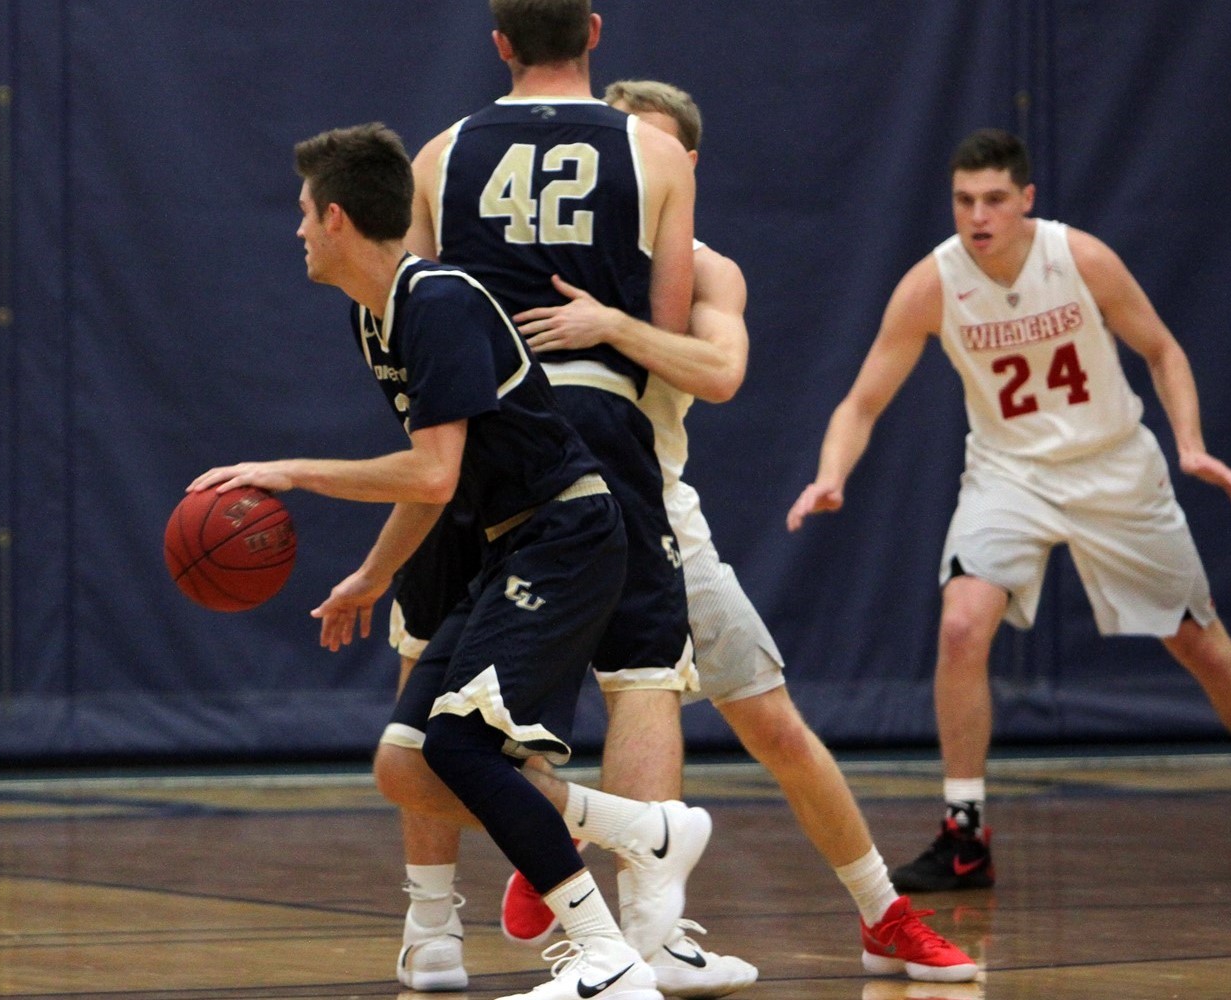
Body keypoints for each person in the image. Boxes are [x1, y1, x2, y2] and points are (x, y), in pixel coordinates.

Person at [483, 79, 979, 988]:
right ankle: (582, 887)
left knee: (775, 725)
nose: (626, 167)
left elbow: (721, 371)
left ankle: (883, 916)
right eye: (618, 146)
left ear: (686, 166)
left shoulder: (704, 266)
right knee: (486, 731)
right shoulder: (535, 247)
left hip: (660, 519)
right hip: (546, 516)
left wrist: (610, 327)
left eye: (648, 149)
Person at [786, 128, 1231, 891]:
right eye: (964, 201)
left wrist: (1187, 443)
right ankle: (965, 831)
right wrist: (831, 475)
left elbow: (1162, 350)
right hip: (1008, 474)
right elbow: (860, 402)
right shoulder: (933, 283)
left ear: (1026, 199)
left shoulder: (1079, 258)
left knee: (1198, 641)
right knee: (961, 625)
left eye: (994, 199)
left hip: (1113, 466)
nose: (978, 216)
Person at [194, 121, 674, 1000]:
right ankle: (641, 829)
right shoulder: (372, 320)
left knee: (461, 747)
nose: (296, 231)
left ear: (337, 218)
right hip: (505, 542)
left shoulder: (441, 299)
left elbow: (432, 468)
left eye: (303, 214)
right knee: (404, 762)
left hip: (566, 534)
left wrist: (293, 470)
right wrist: (371, 579)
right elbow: (435, 484)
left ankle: (607, 957)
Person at [388, 0, 727, 991]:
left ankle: (431, 932)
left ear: (497, 44)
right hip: (595, 421)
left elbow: (419, 311)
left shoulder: (440, 154)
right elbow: (657, 321)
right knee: (639, 673)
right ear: (593, 30)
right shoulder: (655, 156)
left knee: (425, 662)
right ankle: (646, 933)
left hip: (475, 421)